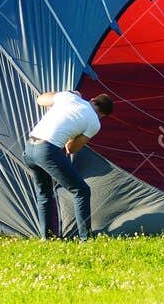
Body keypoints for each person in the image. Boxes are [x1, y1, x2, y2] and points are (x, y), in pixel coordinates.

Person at [24, 90, 112, 240]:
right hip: (47, 151)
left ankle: (46, 238)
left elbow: (40, 100)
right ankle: (86, 239)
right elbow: (71, 149)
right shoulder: (94, 123)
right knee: (81, 191)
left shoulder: (69, 97)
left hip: (29, 148)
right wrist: (73, 133)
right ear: (103, 115)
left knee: (44, 193)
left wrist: (68, 93)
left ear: (92, 99)